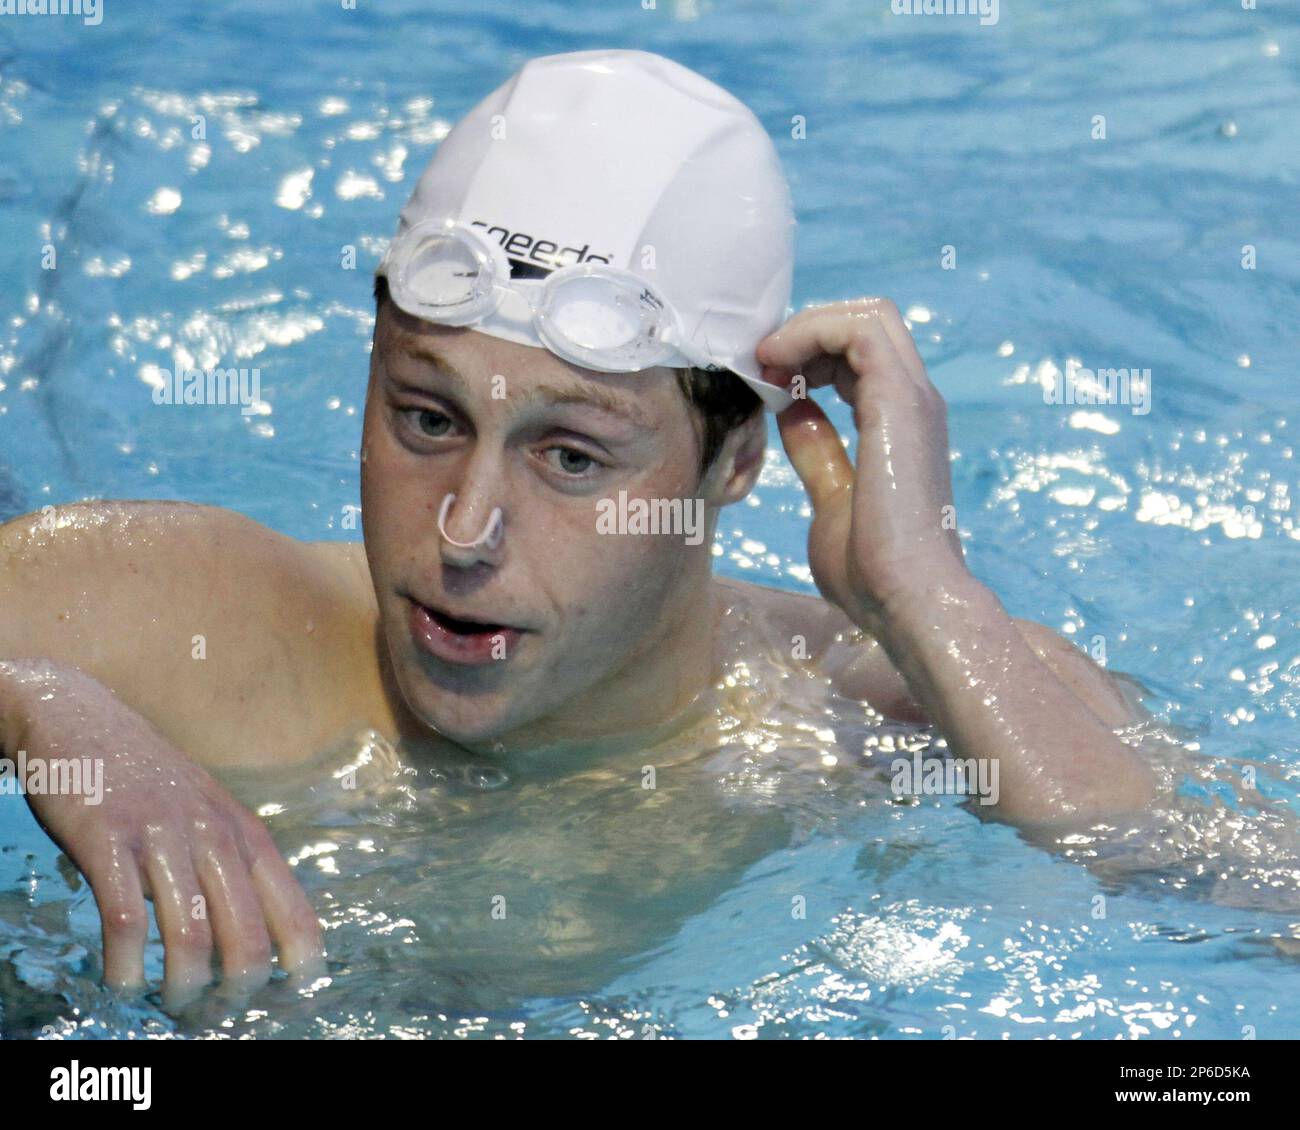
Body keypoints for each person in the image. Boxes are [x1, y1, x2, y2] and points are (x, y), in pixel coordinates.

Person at [0, 49, 1155, 1006]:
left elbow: (1239, 900)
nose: (464, 528)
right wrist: (33, 699)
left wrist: (924, 595)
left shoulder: (888, 714)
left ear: (735, 461)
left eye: (569, 455)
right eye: (425, 415)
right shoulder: (178, 615)